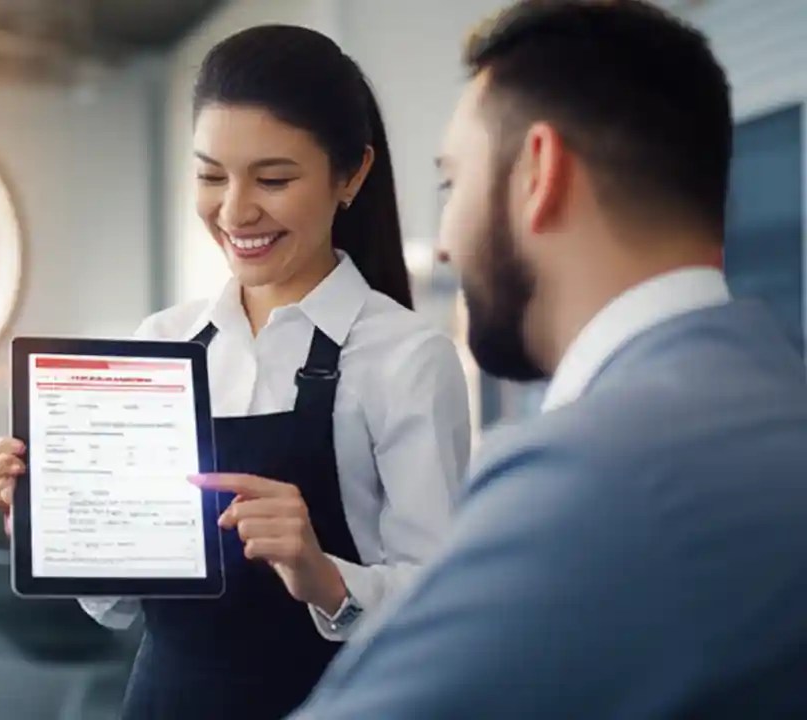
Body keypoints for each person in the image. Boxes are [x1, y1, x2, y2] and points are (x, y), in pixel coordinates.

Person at [291, 1, 807, 717]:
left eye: (452, 184)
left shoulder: (596, 472)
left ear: (539, 171)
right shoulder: (778, 394)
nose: (443, 244)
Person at [0, 24, 471, 720]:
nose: (235, 210)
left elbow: (444, 616)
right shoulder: (161, 341)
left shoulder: (407, 359)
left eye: (273, 179)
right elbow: (118, 607)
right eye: (211, 175)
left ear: (351, 174)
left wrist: (324, 576)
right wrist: (50, 521)